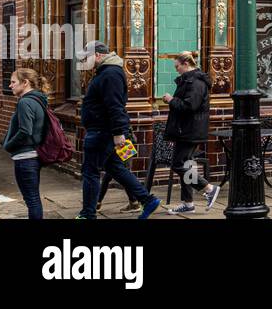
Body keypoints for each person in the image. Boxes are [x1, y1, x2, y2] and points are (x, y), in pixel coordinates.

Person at [77, 42, 161, 220]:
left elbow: (115, 106)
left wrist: (118, 133)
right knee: (115, 168)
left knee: (90, 172)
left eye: (87, 56)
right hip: (102, 130)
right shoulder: (106, 72)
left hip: (102, 131)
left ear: (98, 55)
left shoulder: (110, 74)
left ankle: (87, 214)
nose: (85, 60)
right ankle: (148, 199)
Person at [161, 52, 220, 215]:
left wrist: (171, 100)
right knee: (187, 164)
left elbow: (190, 106)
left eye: (177, 66)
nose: (176, 70)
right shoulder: (190, 80)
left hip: (190, 130)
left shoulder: (196, 82)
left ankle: (208, 188)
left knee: (178, 164)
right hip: (186, 129)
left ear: (186, 63)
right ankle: (188, 203)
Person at [3, 68, 49, 219]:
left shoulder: (25, 102)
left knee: (32, 200)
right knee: (34, 198)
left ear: (25, 83)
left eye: (13, 82)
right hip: (34, 155)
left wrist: (8, 145)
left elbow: (25, 131)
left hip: (25, 157)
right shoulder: (38, 99)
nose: (10, 86)